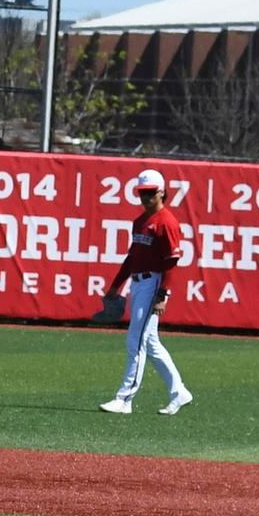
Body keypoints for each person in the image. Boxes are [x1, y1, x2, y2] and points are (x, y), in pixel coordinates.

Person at [98, 168, 193, 416]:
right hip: (138, 283)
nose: (145, 198)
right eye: (142, 193)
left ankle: (125, 399)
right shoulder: (140, 222)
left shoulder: (167, 223)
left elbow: (171, 262)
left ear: (161, 192)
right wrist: (115, 287)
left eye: (150, 193)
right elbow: (132, 258)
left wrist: (163, 295)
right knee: (150, 343)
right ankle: (179, 392)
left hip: (153, 283)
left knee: (135, 341)